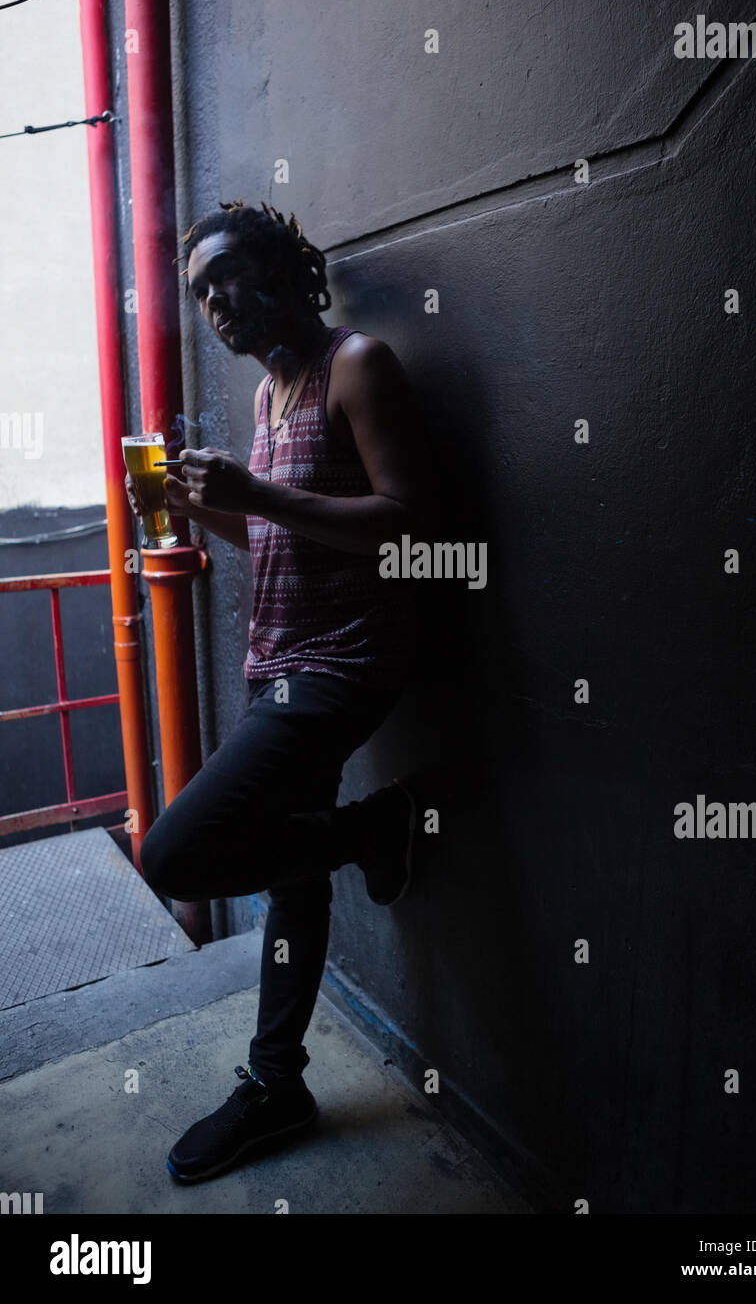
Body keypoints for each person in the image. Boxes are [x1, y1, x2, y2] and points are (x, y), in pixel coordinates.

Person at [130, 199, 429, 1184]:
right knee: (289, 876)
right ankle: (276, 1082)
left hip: (339, 666)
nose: (217, 302)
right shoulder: (267, 398)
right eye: (201, 292)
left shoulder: (356, 364)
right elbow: (277, 535)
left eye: (230, 276)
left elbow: (402, 523)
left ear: (287, 269)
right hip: (278, 658)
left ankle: (382, 823)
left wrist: (254, 494)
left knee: (178, 848)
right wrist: (204, 509)